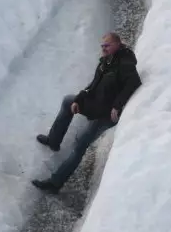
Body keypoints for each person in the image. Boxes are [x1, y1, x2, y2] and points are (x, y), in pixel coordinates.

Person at [32, 32, 142, 194]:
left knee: (80, 144)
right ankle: (53, 140)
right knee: (68, 101)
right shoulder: (106, 61)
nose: (104, 48)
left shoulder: (125, 63)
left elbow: (134, 82)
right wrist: (79, 99)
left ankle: (55, 183)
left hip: (105, 114)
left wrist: (117, 106)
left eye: (107, 45)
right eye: (102, 46)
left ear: (118, 44)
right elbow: (93, 85)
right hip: (96, 104)